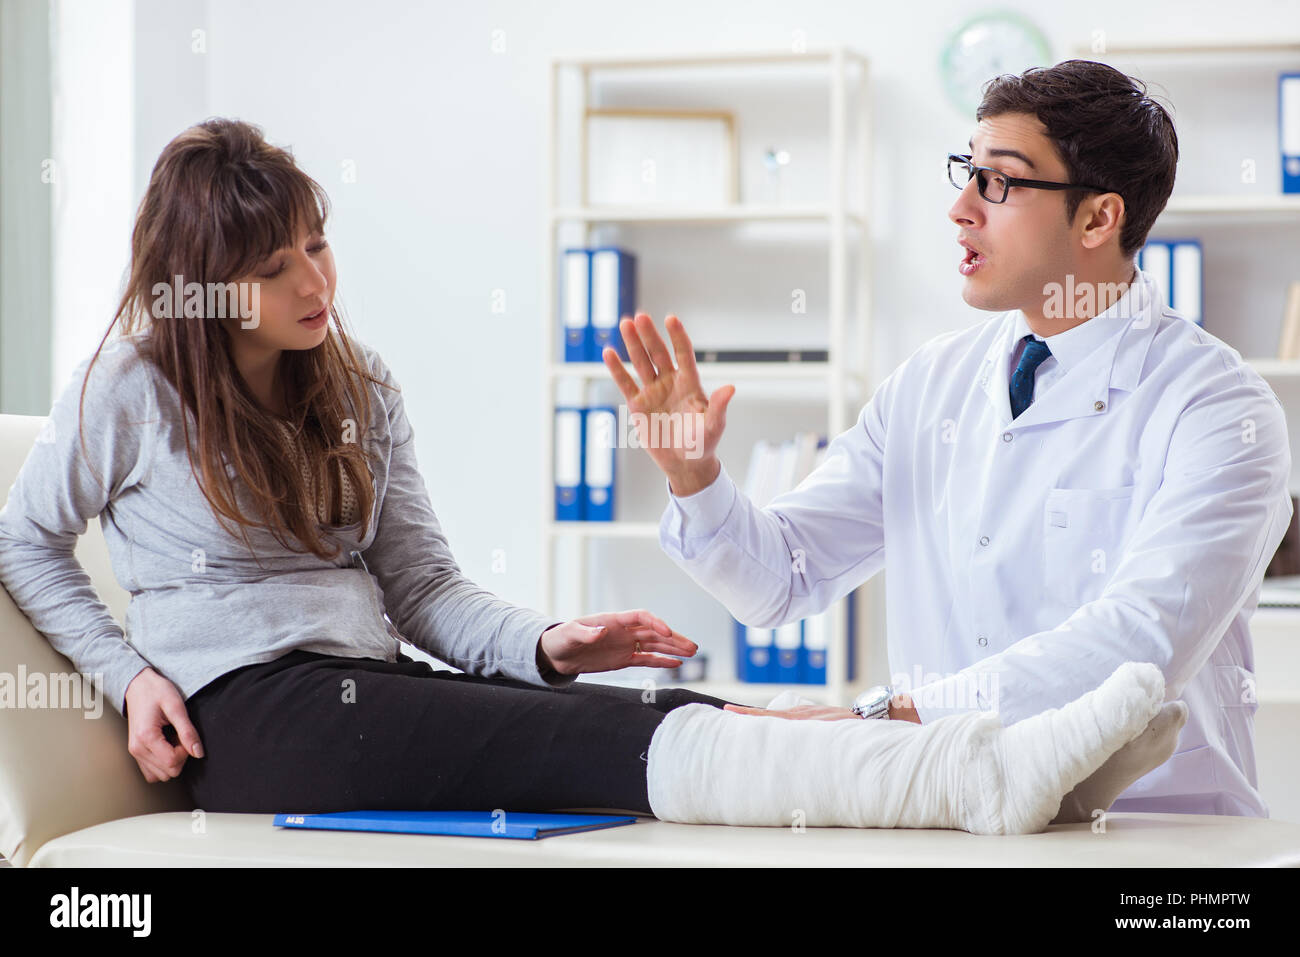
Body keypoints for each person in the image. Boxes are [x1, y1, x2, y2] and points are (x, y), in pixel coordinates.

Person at [0, 117, 1172, 837]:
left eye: (319, 241)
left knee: (611, 712)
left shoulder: (358, 385)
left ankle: (994, 772)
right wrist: (127, 669)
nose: (317, 281)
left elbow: (423, 589)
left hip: (364, 680)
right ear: (203, 281)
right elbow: (20, 541)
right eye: (274, 266)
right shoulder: (131, 388)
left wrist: (549, 642)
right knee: (586, 750)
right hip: (249, 716)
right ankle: (973, 780)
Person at [605, 60, 1288, 821]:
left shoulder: (1219, 407)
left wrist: (882, 724)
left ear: (1098, 219)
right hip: (955, 820)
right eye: (968, 171)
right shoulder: (930, 385)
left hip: (1154, 831)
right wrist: (694, 477)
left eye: (1000, 182)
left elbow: (1139, 642)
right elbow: (782, 581)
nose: (961, 208)